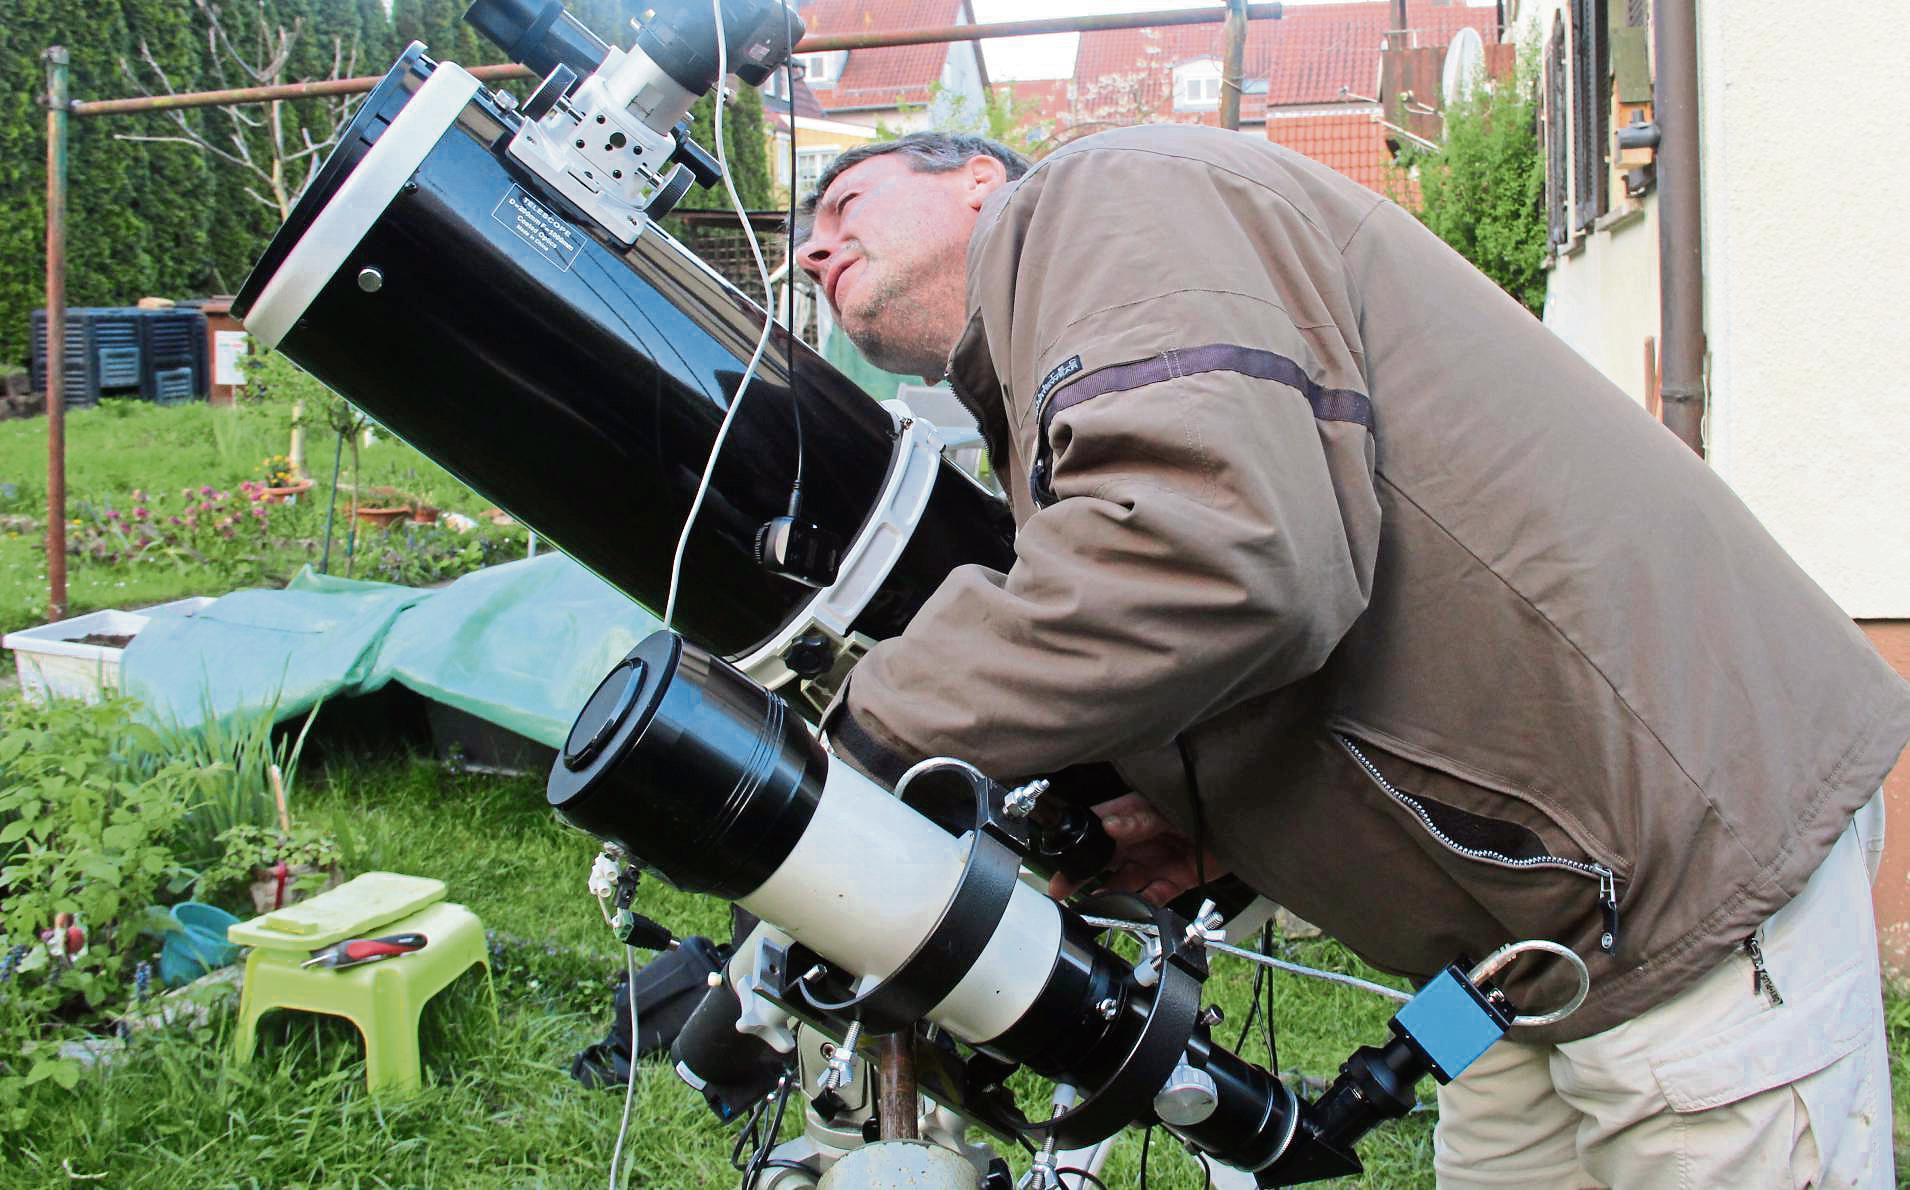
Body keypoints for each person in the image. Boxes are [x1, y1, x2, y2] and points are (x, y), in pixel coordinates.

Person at [792, 127, 1907, 1187]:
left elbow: (1213, 552)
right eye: (806, 235)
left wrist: (864, 733)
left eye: (848, 200)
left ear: (979, 179)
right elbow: (1283, 586)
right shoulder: (1053, 355)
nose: (812, 244)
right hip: (1510, 958)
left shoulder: (1098, 200)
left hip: (1679, 881)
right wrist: (1207, 832)